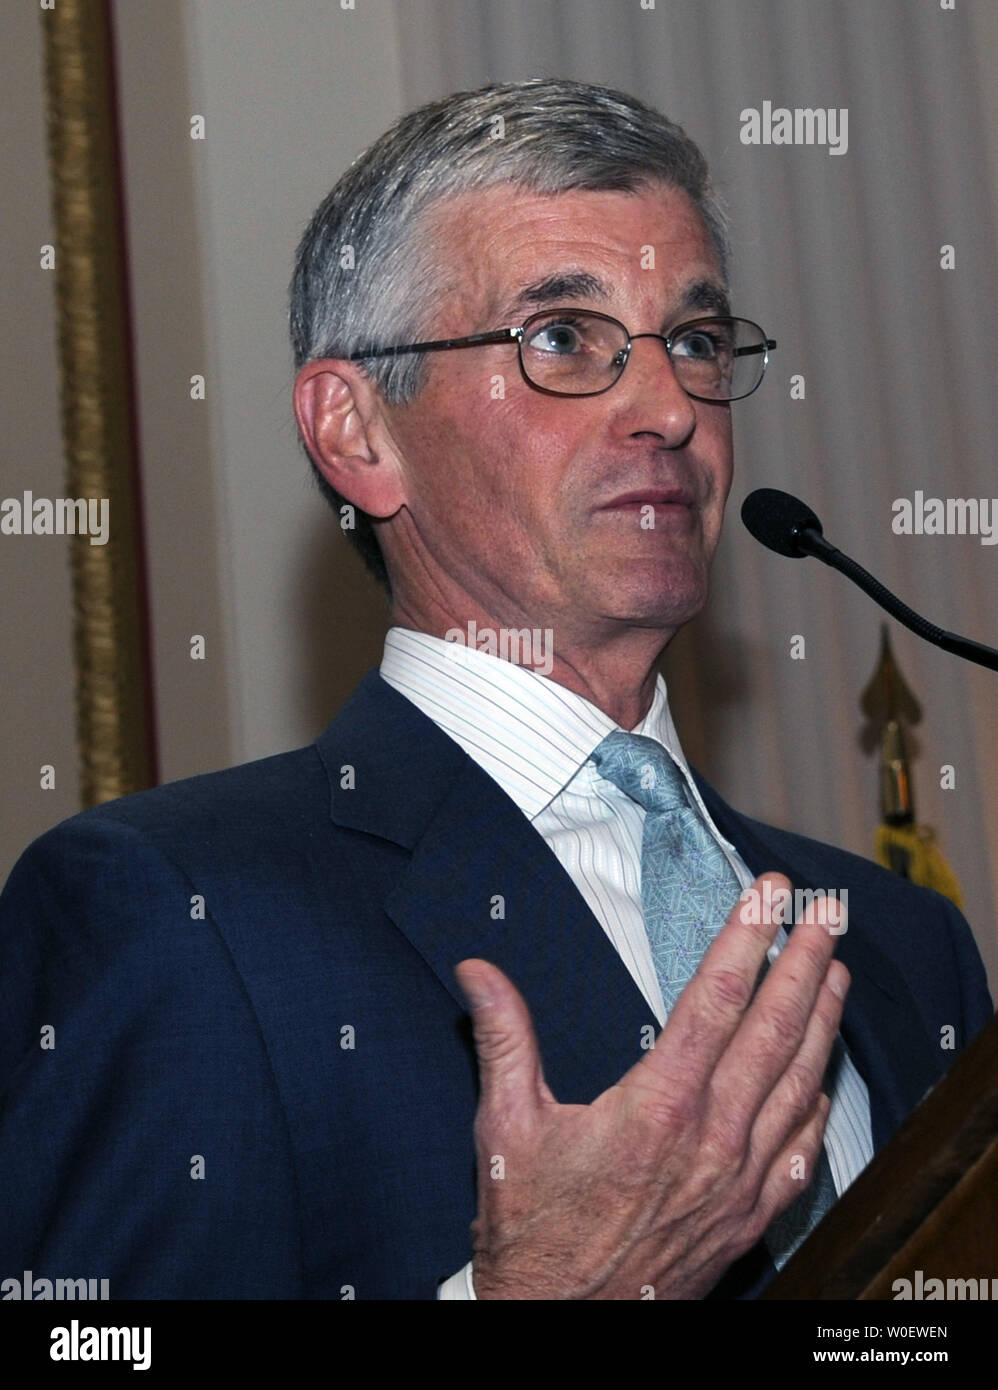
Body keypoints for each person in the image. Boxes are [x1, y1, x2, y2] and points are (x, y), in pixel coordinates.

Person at [0, 79, 990, 1302]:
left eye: (691, 340)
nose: (669, 408)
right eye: (563, 338)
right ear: (356, 431)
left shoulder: (902, 945)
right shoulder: (176, 910)